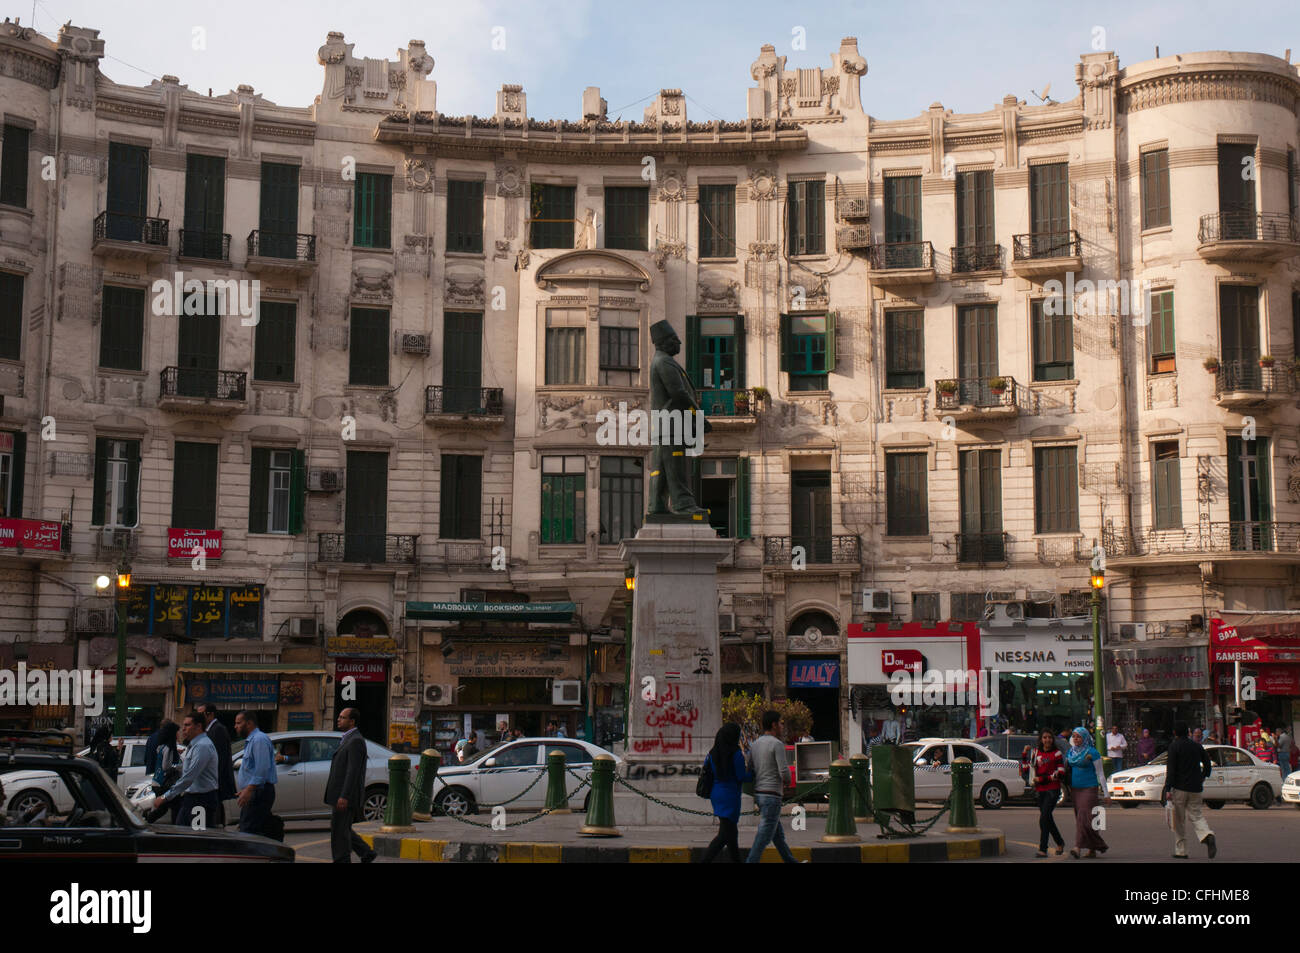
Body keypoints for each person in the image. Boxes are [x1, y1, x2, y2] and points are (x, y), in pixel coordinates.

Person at [745, 711, 799, 864]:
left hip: (760, 794)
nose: (782, 726)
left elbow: (750, 767)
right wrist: (787, 781)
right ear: (774, 725)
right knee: (763, 836)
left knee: (777, 835)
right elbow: (784, 771)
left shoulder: (754, 745)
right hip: (772, 794)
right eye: (781, 723)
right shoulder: (777, 744)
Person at [326, 707, 377, 863]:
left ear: (352, 721)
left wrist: (344, 796)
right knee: (343, 828)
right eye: (339, 716)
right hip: (340, 794)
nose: (338, 719)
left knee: (339, 831)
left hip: (345, 795)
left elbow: (352, 771)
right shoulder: (348, 738)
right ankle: (366, 853)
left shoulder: (355, 741)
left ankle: (342, 859)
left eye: (342, 717)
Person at [152, 712, 219, 827]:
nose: (183, 729)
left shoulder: (203, 746)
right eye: (183, 725)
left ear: (198, 726)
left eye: (187, 725)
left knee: (197, 837)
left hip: (201, 799)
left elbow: (189, 776)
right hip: (190, 798)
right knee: (182, 833)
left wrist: (165, 797)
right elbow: (186, 771)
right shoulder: (194, 745)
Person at [1162, 721, 1215, 859]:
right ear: (1188, 732)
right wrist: (1204, 776)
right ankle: (1207, 835)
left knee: (1179, 820)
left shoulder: (1174, 747)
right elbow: (1207, 763)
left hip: (1179, 788)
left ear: (1175, 733)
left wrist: (1168, 788)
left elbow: (1171, 770)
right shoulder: (1196, 746)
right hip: (1196, 787)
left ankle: (1181, 850)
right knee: (1197, 815)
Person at [700, 723, 752, 863]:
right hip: (730, 796)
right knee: (724, 835)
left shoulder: (712, 753)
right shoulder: (736, 754)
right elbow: (741, 776)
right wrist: (754, 773)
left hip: (716, 794)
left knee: (731, 834)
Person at [1065, 726, 1109, 859]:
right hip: (1075, 789)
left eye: (1079, 736)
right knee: (1085, 818)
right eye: (1074, 736)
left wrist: (1106, 794)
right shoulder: (1071, 753)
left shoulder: (1092, 752)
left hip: (1089, 788)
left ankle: (1077, 847)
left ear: (1084, 737)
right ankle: (1093, 848)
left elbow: (1100, 774)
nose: (1076, 739)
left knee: (1082, 817)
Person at [234, 710, 277, 836]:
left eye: (238, 723)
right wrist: (247, 788)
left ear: (249, 723)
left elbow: (262, 769)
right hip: (255, 790)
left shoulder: (259, 740)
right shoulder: (251, 740)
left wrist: (250, 789)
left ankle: (251, 855)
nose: (235, 726)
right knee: (252, 828)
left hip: (259, 792)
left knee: (249, 831)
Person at [1026, 728, 1067, 857]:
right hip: (1040, 790)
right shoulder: (1036, 753)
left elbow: (1060, 772)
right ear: (1041, 739)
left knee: (1043, 819)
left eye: (1049, 737)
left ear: (1052, 739)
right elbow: (1028, 768)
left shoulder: (1057, 754)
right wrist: (1024, 754)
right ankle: (1060, 842)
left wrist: (1044, 778)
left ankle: (1043, 849)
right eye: (1044, 737)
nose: (1047, 740)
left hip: (1052, 789)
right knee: (1047, 818)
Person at [197, 703, 237, 827]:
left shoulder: (218, 730)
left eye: (200, 715)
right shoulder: (208, 731)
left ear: (210, 714)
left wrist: (213, 779)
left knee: (214, 812)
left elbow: (219, 758)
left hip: (215, 781)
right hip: (211, 782)